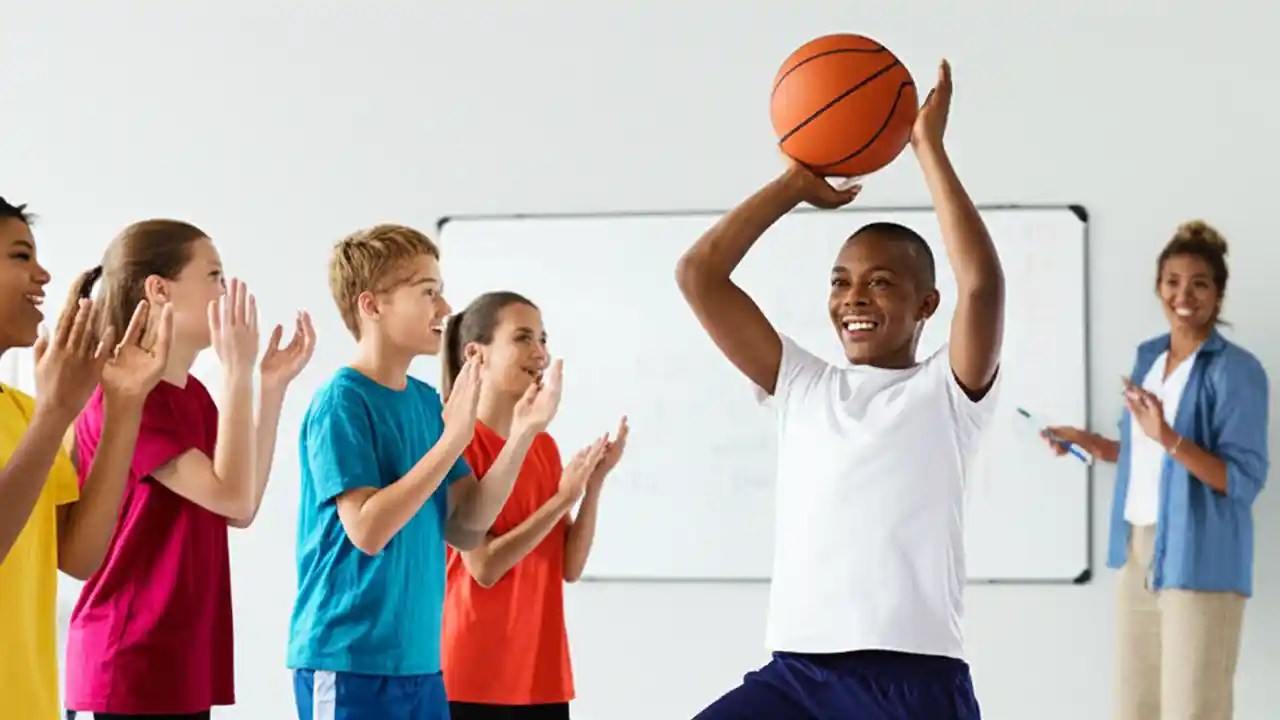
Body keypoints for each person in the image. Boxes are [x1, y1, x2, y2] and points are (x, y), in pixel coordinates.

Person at [675, 60, 1004, 719]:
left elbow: (983, 286)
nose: (854, 296)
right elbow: (700, 274)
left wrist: (926, 149)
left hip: (914, 682)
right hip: (795, 679)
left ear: (926, 303)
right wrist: (795, 183)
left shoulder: (948, 392)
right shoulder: (801, 384)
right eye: (840, 281)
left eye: (880, 281)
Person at [287, 225, 562, 720]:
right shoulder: (341, 400)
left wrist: (522, 433)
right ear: (372, 305)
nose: (443, 309)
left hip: (420, 666)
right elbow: (367, 530)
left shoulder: (423, 403)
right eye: (428, 292)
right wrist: (453, 440)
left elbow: (465, 525)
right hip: (349, 662)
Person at [63, 219, 315, 720]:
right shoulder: (129, 397)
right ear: (159, 289)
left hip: (178, 662)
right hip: (127, 663)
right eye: (214, 275)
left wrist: (268, 387)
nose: (225, 291)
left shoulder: (193, 397)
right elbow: (233, 497)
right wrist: (238, 371)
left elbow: (239, 506)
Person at [1043, 220, 1268, 720]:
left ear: (1219, 294)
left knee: (1193, 710)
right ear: (1157, 286)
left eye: (1199, 283)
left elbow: (1242, 480)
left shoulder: (1237, 371)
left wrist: (1167, 435)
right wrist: (1091, 443)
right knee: (1135, 708)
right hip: (1137, 551)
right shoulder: (1149, 357)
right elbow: (1143, 453)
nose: (1183, 293)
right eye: (1172, 281)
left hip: (1201, 555)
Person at [0, 198, 174, 720]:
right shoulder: (43, 415)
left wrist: (123, 404)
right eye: (18, 256)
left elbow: (79, 556)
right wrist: (56, 412)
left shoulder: (24, 413)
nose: (43, 274)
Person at [439, 291, 628, 720]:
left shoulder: (544, 447)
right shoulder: (458, 443)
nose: (540, 353)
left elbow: (569, 567)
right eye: (523, 338)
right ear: (476, 353)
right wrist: (564, 497)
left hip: (541, 675)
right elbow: (484, 567)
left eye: (543, 339)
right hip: (473, 676)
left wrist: (592, 485)